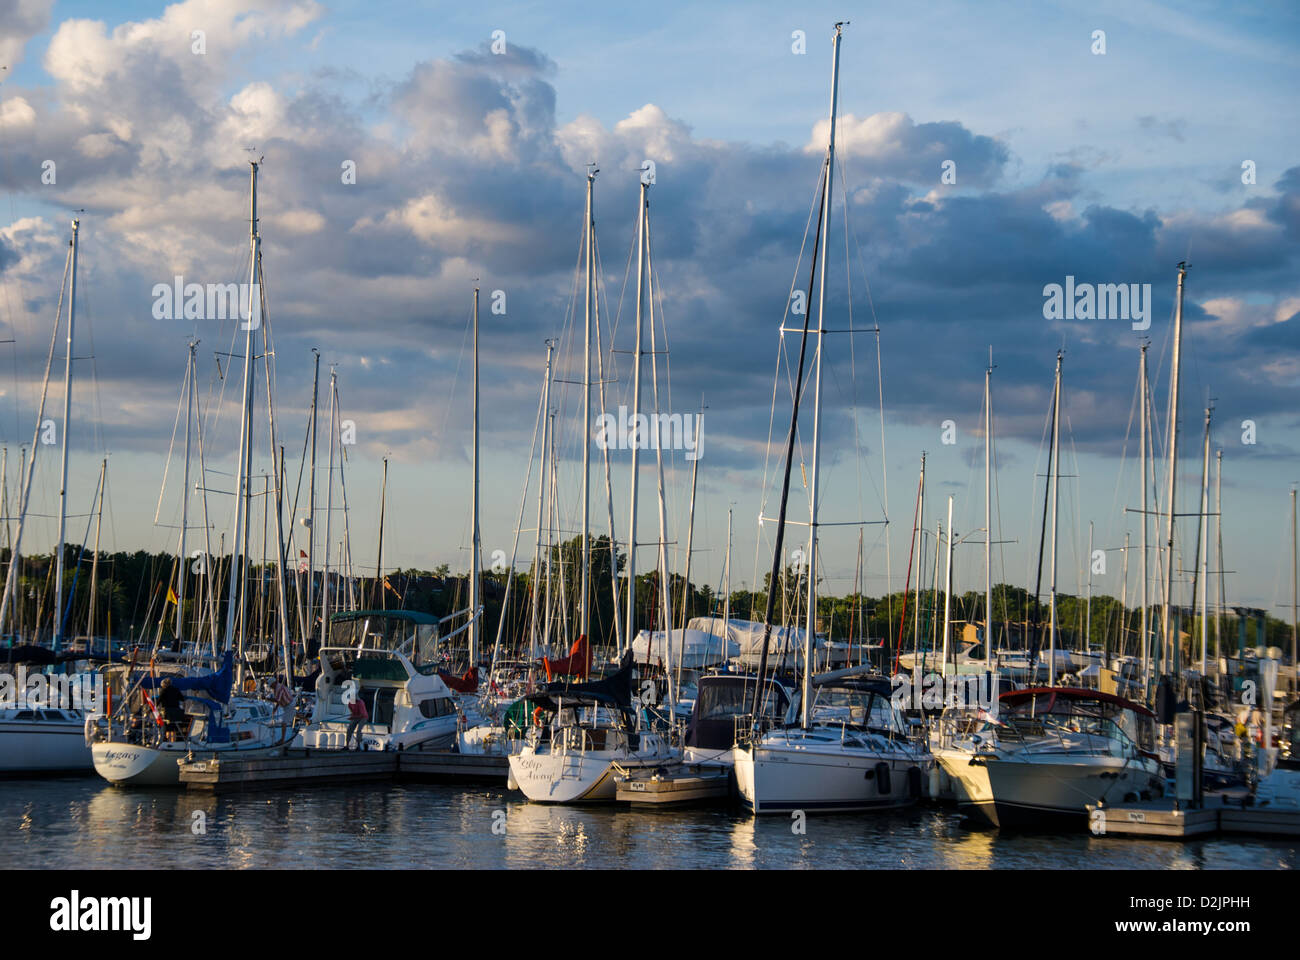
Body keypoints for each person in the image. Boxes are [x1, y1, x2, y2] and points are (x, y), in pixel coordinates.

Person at [157, 677, 187, 742]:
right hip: (176, 711)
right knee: (174, 727)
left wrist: (153, 708)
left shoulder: (164, 691)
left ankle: (167, 740)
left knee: (166, 727)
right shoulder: (176, 690)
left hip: (167, 712)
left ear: (164, 685)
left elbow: (159, 700)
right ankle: (175, 740)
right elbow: (182, 699)